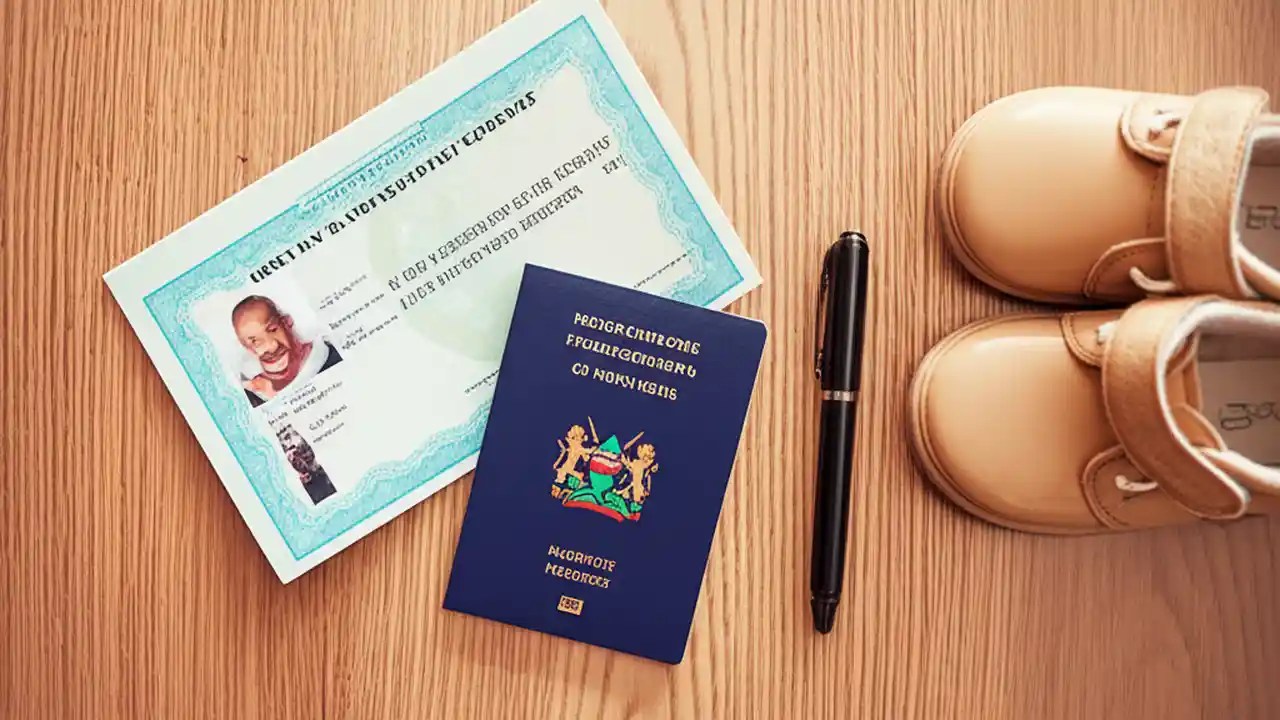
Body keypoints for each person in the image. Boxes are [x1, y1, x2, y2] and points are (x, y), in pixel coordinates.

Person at [231, 295, 342, 407]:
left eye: (273, 329)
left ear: (287, 322)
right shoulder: (253, 394)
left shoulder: (330, 355)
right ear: (248, 348)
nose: (272, 346)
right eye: (255, 341)